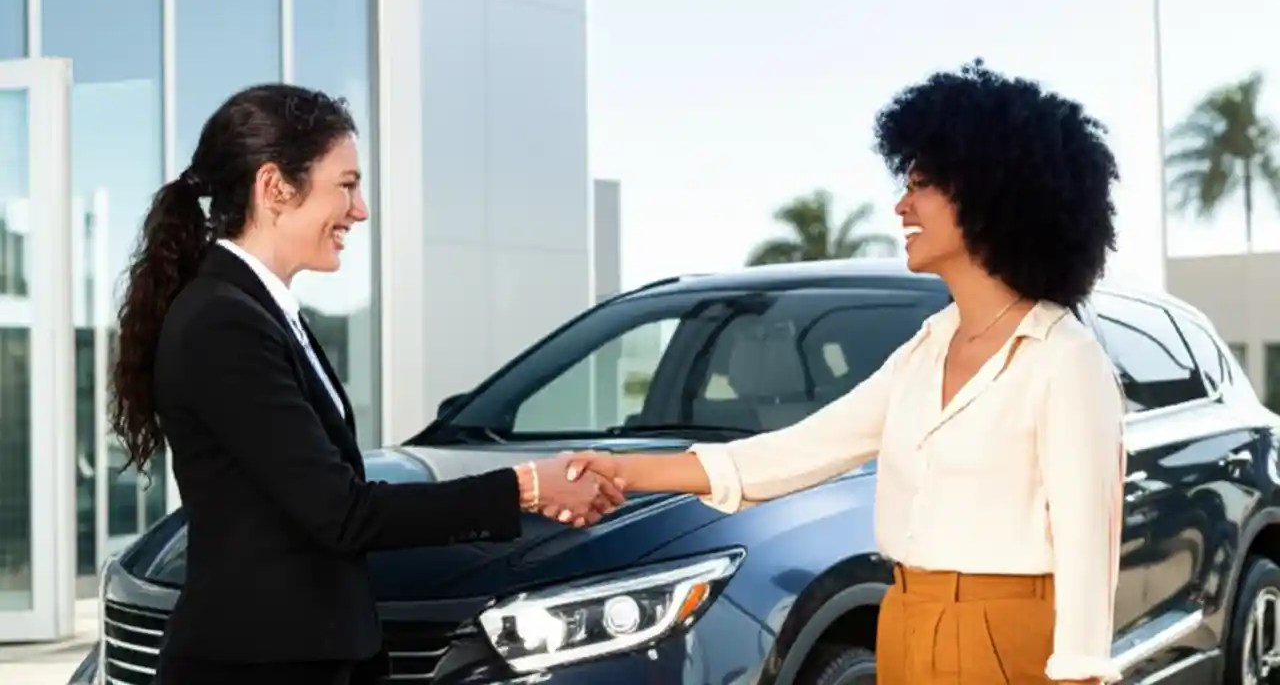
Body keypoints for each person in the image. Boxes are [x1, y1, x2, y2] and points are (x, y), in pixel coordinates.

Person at [563, 62, 1125, 684]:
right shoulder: (923, 353)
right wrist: (624, 470)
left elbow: (1087, 548)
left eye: (922, 185)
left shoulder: (1062, 357)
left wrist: (1080, 672)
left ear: (992, 192)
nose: (901, 205)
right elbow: (794, 453)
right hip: (906, 621)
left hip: (1007, 637)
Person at [109, 84, 623, 685]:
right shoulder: (223, 322)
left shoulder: (262, 311)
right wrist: (527, 487)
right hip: (258, 665)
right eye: (347, 185)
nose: (360, 210)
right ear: (275, 187)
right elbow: (343, 511)